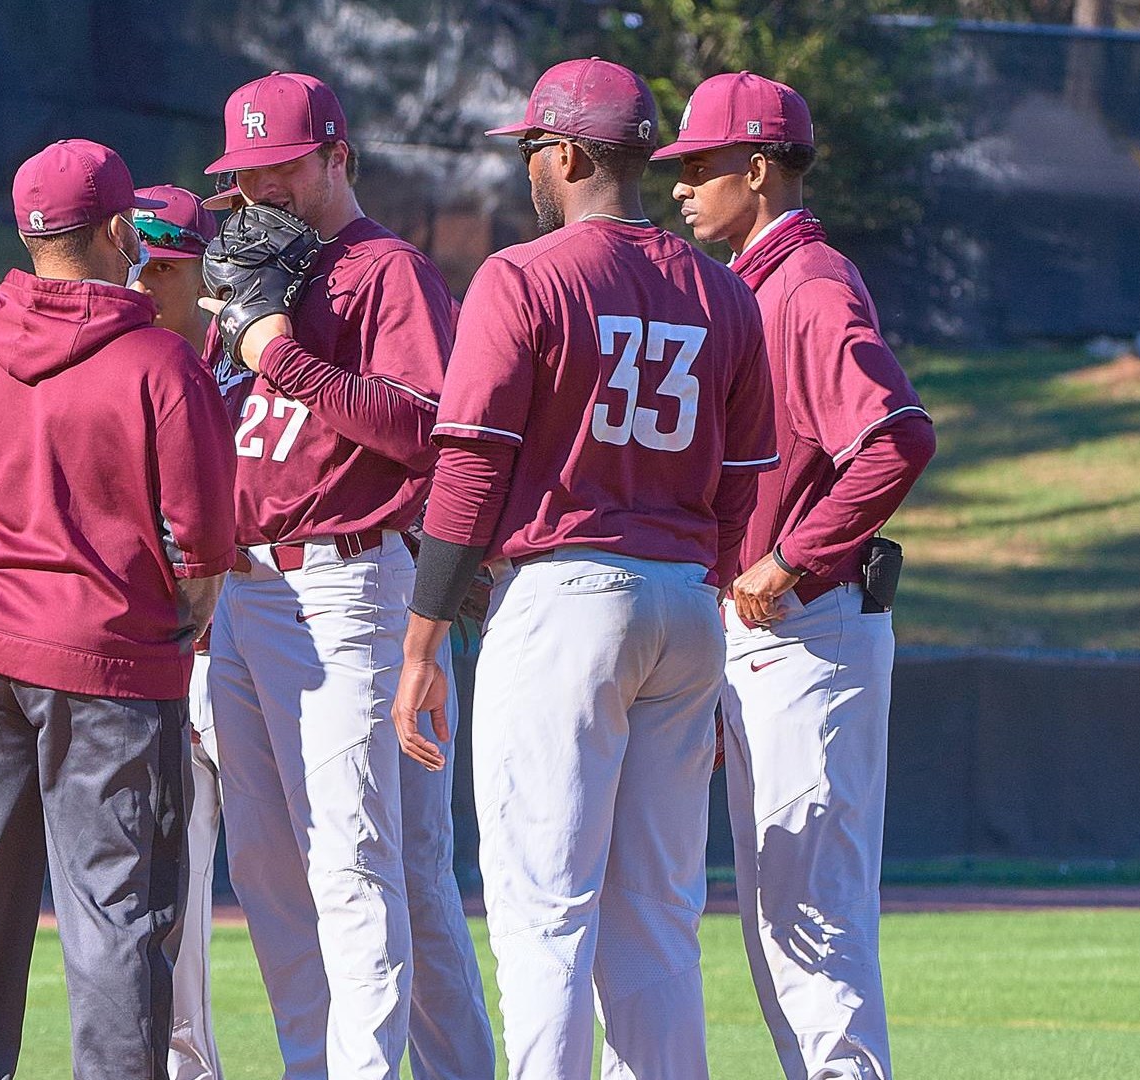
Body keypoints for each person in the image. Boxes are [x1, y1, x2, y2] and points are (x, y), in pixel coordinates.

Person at [391, 57, 778, 1080]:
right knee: (657, 918)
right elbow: (744, 486)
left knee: (545, 915)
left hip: (565, 600)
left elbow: (471, 470)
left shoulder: (525, 275)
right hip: (687, 601)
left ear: (562, 154)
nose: (528, 166)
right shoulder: (727, 295)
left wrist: (423, 639)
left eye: (531, 149)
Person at [0, 140, 238, 1080]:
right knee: (117, 913)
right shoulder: (162, 363)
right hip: (115, 666)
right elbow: (203, 551)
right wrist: (176, 629)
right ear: (121, 229)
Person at [197, 71, 493, 1080]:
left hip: (348, 586)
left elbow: (431, 431)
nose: (258, 191)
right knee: (281, 875)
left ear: (336, 158)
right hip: (243, 591)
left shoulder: (390, 272)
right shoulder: (250, 275)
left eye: (279, 168)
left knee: (354, 864)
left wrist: (283, 357)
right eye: (243, 174)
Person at [660, 71, 936, 1080]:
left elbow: (897, 438)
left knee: (811, 934)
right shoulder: (763, 285)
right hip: (774, 638)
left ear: (762, 168)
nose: (684, 187)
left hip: (810, 635)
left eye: (703, 165)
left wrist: (791, 558)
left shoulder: (809, 285)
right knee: (784, 938)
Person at [129, 182, 229, 1080]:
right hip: (159, 655)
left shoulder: (235, 358)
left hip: (264, 631)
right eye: (138, 256)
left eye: (167, 263)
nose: (148, 277)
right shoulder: (115, 362)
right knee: (170, 891)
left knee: (329, 879)